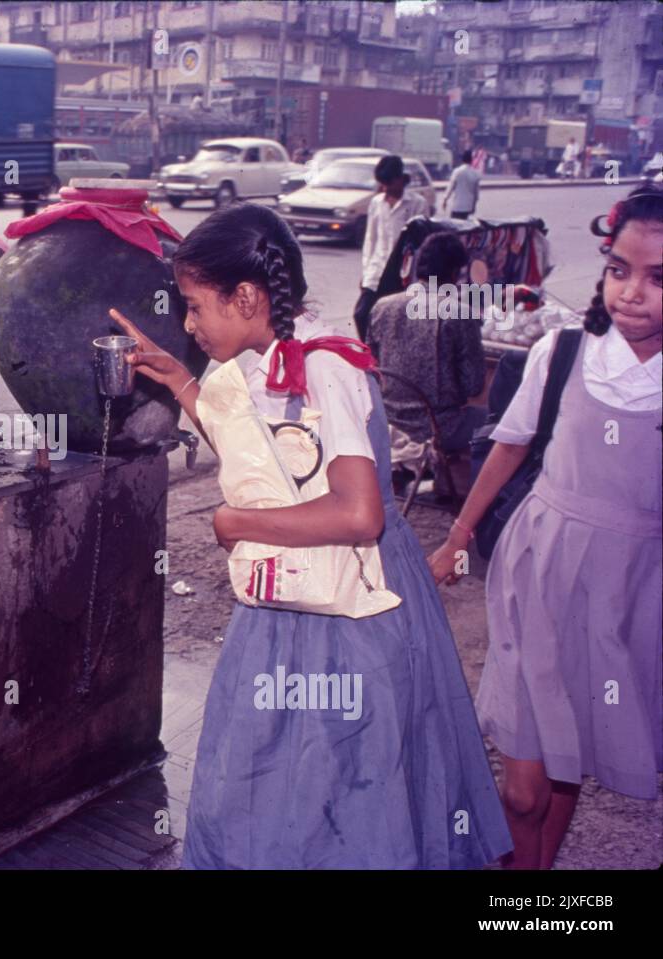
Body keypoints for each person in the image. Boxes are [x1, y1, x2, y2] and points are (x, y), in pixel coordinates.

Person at [111, 203, 512, 869]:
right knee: (273, 770)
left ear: (246, 297)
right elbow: (269, 463)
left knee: (348, 774)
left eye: (193, 305)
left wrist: (237, 523)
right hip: (290, 593)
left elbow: (359, 514)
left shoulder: (327, 365)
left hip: (356, 599)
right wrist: (181, 380)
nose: (188, 323)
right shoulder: (258, 360)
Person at [428, 184, 662, 869]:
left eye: (658, 278)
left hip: (630, 594)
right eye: (619, 270)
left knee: (571, 759)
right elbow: (509, 445)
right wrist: (457, 535)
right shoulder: (563, 353)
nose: (631, 292)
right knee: (524, 791)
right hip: (542, 570)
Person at [367, 231, 486, 454]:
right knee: (497, 424)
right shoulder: (460, 312)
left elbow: (372, 367)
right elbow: (474, 385)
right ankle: (460, 487)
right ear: (455, 273)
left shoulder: (382, 306)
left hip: (388, 420)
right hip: (439, 427)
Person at [354, 154, 431, 341]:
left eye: (389, 183)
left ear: (400, 179)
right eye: (383, 184)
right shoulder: (376, 203)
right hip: (377, 269)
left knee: (395, 319)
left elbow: (422, 244)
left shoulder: (417, 204)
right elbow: (371, 239)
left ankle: (386, 355)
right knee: (361, 313)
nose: (386, 188)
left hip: (402, 274)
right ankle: (371, 352)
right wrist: (366, 272)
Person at [442, 149, 482, 220]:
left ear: (462, 159)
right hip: (468, 208)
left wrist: (445, 200)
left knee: (455, 228)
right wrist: (473, 206)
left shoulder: (457, 172)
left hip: (457, 207)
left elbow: (450, 188)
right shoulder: (475, 174)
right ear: (471, 160)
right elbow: (476, 195)